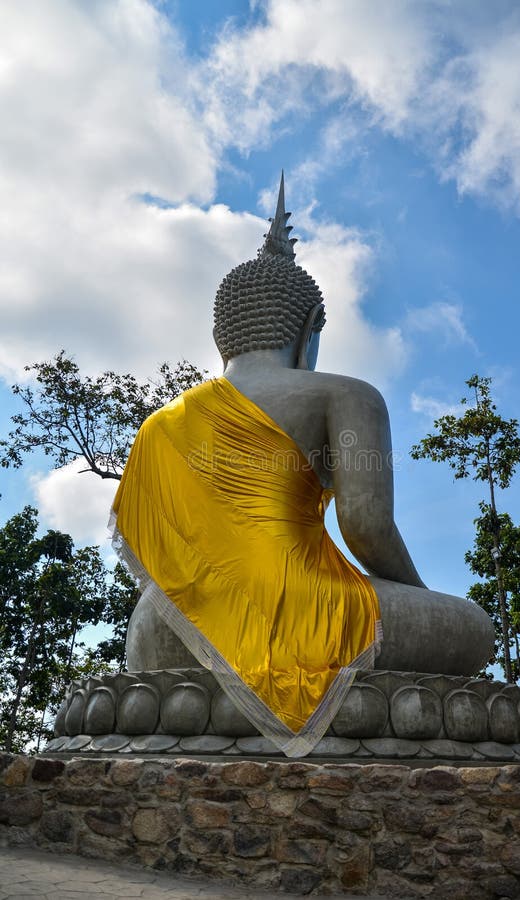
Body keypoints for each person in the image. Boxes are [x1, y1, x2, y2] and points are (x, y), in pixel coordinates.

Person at [112, 174, 494, 756]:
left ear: (224, 333)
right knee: (470, 626)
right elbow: (365, 526)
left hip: (166, 628)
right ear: (307, 328)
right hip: (293, 611)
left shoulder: (161, 424)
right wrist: (416, 593)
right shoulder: (343, 394)